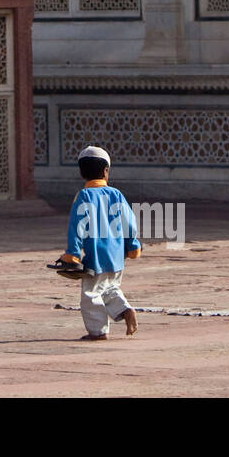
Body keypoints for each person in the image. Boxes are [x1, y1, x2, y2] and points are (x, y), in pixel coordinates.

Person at [49, 145, 141, 340]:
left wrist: (72, 254)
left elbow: (77, 227)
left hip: (96, 256)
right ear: (106, 171)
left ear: (81, 172)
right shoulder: (116, 194)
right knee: (110, 287)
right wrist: (133, 246)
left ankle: (98, 332)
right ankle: (125, 310)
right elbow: (130, 223)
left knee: (91, 293)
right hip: (117, 256)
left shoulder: (84, 196)